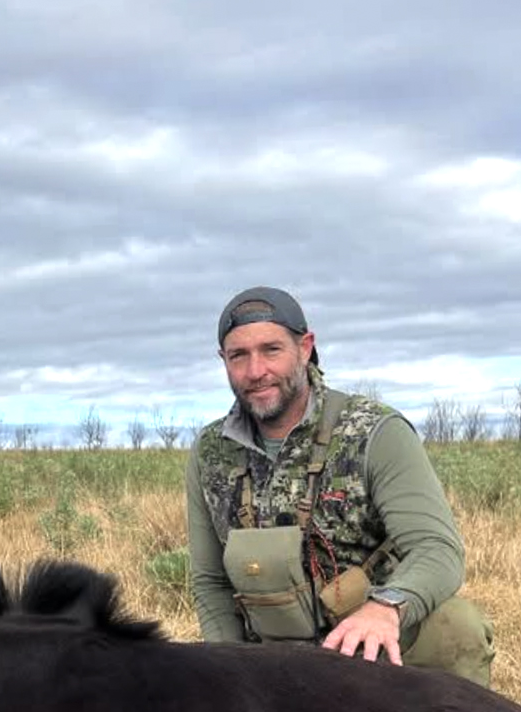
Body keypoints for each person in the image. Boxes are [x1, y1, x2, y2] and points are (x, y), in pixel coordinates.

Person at [186, 286, 496, 685]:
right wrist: (230, 671)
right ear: (223, 361)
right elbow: (210, 579)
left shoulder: (374, 431)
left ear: (305, 347)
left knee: (457, 628)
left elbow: (437, 549)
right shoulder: (211, 451)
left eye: (272, 350)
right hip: (268, 653)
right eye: (238, 356)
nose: (255, 370)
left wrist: (385, 609)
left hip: (370, 645)